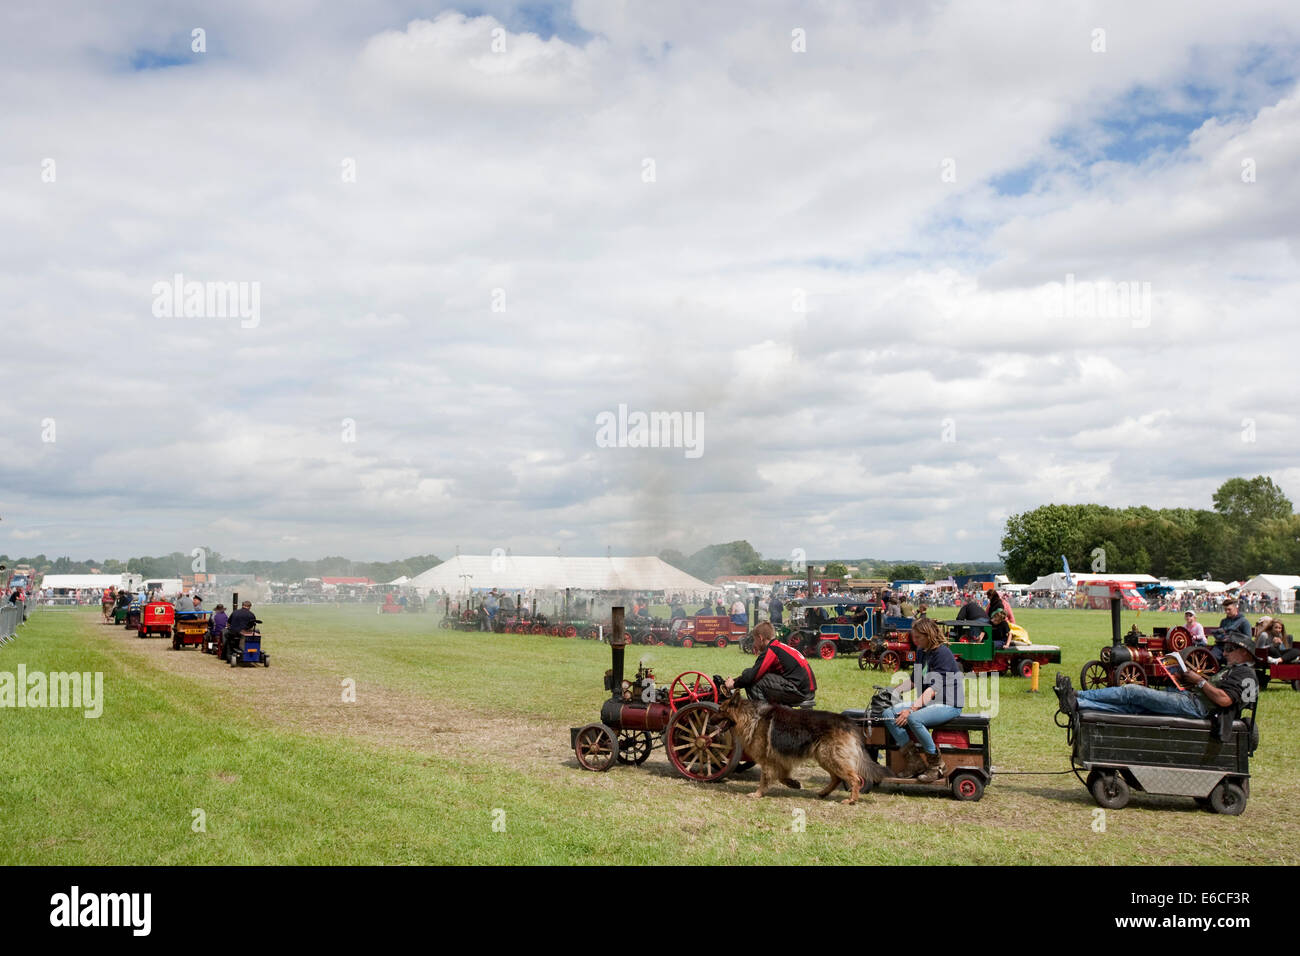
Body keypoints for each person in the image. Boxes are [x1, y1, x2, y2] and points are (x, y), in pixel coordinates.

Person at [1056, 632, 1258, 731]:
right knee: (1133, 709)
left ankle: (1077, 694)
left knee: (1133, 691)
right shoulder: (1238, 671)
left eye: (1230, 649)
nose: (1224, 653)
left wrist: (1198, 680)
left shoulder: (1244, 674)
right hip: (1193, 701)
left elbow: (1224, 700)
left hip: (1197, 708)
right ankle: (1078, 704)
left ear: (1243, 652)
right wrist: (1187, 679)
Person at [879, 618, 964, 783]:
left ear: (929, 635)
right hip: (930, 703)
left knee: (913, 718)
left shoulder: (942, 653)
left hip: (948, 703)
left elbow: (933, 689)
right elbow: (914, 681)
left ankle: (936, 765)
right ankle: (914, 761)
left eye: (918, 637)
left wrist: (911, 709)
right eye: (914, 637)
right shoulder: (921, 652)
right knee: (888, 713)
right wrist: (892, 692)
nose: (915, 640)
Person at [725, 621, 816, 707]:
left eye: (754, 640)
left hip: (800, 692)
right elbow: (754, 672)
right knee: (749, 674)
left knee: (754, 682)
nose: (754, 644)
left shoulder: (772, 650)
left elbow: (753, 676)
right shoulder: (778, 646)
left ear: (760, 638)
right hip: (805, 689)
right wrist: (735, 680)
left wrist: (733, 684)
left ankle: (764, 716)